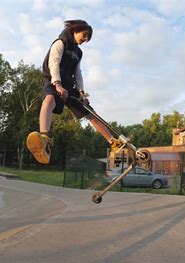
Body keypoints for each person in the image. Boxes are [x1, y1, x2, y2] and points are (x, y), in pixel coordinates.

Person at [27, 20, 124, 164]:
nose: (85, 39)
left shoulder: (79, 53)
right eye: (84, 35)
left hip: (69, 85)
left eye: (87, 38)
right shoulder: (60, 43)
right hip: (53, 81)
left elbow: (78, 73)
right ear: (75, 30)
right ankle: (45, 139)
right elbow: (53, 63)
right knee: (48, 100)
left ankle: (113, 142)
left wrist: (81, 92)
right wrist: (58, 85)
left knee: (89, 112)